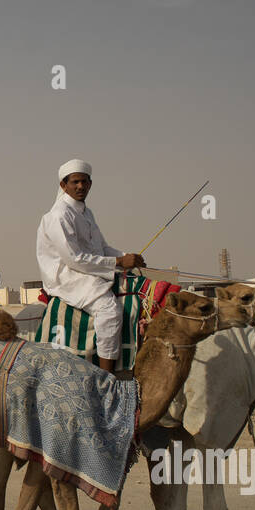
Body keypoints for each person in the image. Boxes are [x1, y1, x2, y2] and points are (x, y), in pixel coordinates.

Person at [36, 159, 146, 372]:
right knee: (110, 310)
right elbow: (73, 258)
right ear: (63, 185)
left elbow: (101, 249)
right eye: (75, 182)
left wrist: (127, 257)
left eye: (84, 182)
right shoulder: (59, 215)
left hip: (87, 269)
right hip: (67, 276)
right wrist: (119, 262)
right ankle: (107, 377)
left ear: (90, 184)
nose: (80, 186)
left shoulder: (86, 213)